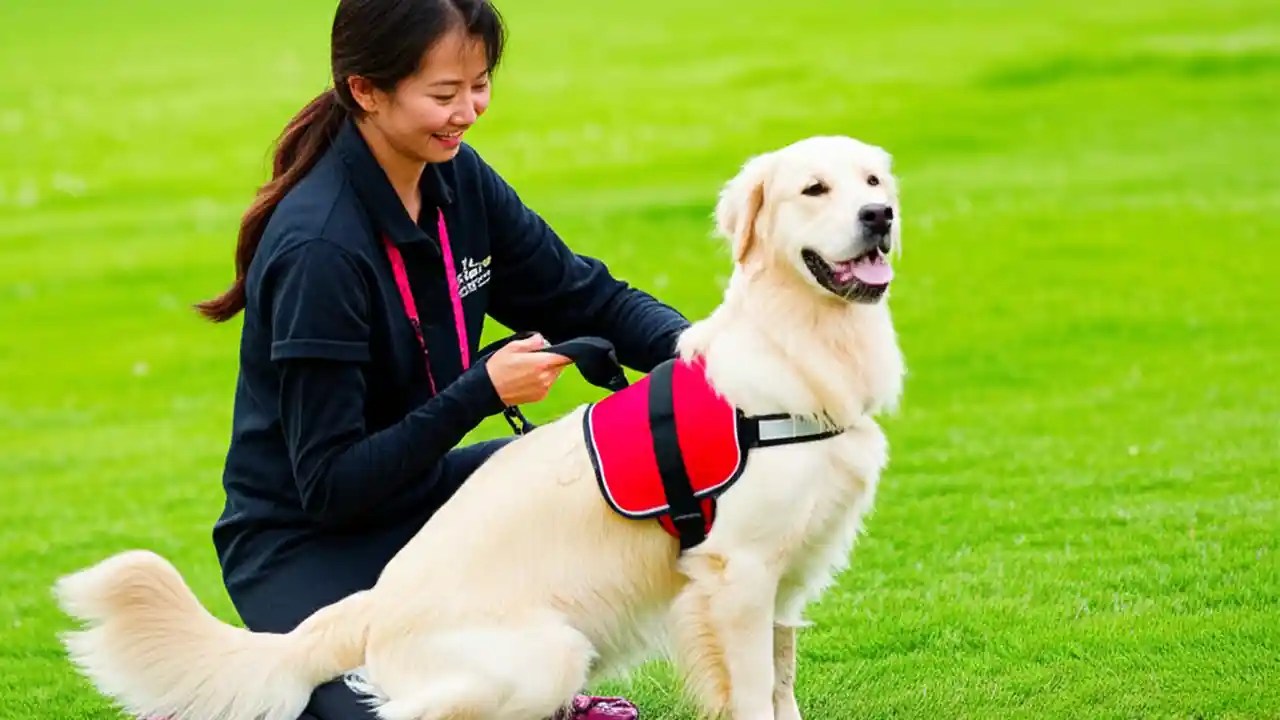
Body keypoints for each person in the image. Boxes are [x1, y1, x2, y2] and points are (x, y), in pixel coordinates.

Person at [196, 1, 688, 718]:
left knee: (589, 471)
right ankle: (219, 702)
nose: (469, 111)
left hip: (427, 503)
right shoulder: (319, 251)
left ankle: (540, 690)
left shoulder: (456, 178)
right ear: (365, 90)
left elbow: (582, 296)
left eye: (480, 84)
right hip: (307, 543)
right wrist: (479, 391)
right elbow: (331, 487)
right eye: (444, 94)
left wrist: (713, 360)